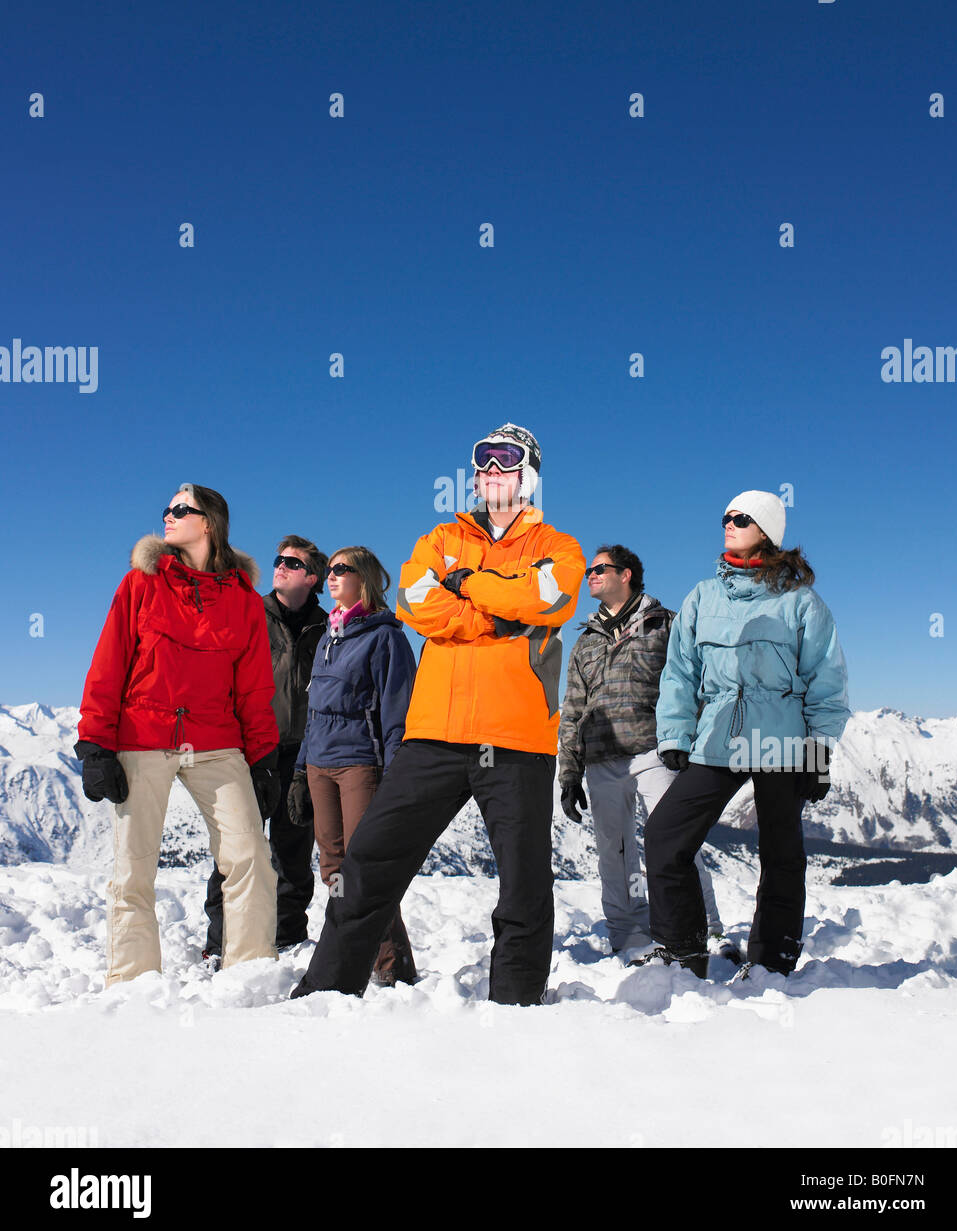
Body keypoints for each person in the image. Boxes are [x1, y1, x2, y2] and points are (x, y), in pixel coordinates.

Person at [291, 423, 586, 1006]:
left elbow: (548, 598)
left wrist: (468, 583)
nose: (490, 469)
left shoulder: (558, 547)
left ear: (528, 473)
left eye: (505, 458)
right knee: (368, 864)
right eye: (481, 459)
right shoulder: (440, 539)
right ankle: (324, 994)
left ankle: (516, 1006)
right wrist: (494, 613)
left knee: (524, 883)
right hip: (434, 734)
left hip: (515, 736)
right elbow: (415, 601)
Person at [74, 484, 280, 985]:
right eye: (166, 509)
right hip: (143, 738)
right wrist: (94, 743)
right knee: (133, 871)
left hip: (217, 742)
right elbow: (109, 663)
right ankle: (132, 983)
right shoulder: (140, 584)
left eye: (181, 509)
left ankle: (249, 974)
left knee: (250, 855)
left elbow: (255, 686)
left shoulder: (245, 602)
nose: (168, 516)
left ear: (208, 522)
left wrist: (264, 756)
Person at [646, 490, 850, 979]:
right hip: (718, 737)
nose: (728, 523)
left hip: (782, 741)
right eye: (726, 516)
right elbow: (679, 671)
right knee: (663, 837)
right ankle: (683, 951)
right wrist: (675, 734)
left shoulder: (801, 602)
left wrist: (818, 753)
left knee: (782, 854)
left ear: (767, 532)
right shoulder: (702, 596)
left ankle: (772, 961)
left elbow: (827, 680)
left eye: (741, 517)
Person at [558, 544, 729, 963]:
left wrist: (692, 743)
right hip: (601, 758)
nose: (590, 575)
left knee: (676, 845)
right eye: (588, 571)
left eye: (599, 569)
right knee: (614, 854)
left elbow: (697, 686)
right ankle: (629, 935)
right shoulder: (585, 642)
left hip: (658, 753)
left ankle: (704, 928)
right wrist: (568, 772)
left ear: (627, 574)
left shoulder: (666, 625)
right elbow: (573, 709)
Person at [286, 547, 418, 987]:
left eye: (341, 569)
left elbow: (399, 714)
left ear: (363, 578)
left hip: (361, 763)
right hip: (321, 763)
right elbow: (314, 711)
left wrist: (398, 779)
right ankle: (367, 959)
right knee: (333, 869)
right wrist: (302, 771)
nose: (331, 576)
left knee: (366, 870)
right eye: (329, 571)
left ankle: (392, 968)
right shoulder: (329, 636)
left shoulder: (386, 638)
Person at [202, 535, 329, 963]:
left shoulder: (328, 628)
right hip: (250, 750)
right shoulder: (248, 614)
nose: (280, 567)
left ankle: (289, 939)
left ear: (313, 578)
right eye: (278, 560)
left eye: (292, 563)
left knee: (293, 852)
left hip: (302, 754)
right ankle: (220, 942)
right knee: (238, 849)